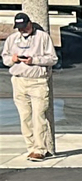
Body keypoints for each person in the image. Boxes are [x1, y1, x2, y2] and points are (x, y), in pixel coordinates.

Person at [5, 13, 58, 161]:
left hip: (38, 82)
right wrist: (12, 59)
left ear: (30, 23)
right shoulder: (12, 39)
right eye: (19, 28)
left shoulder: (43, 37)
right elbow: (5, 58)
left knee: (38, 116)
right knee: (24, 117)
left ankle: (40, 149)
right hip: (19, 81)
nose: (22, 30)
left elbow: (53, 59)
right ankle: (31, 147)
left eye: (24, 27)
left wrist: (34, 60)